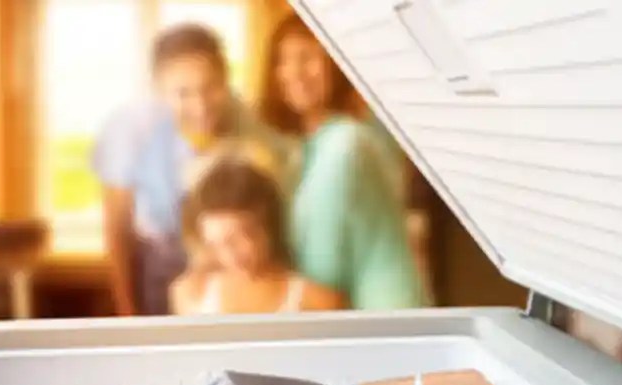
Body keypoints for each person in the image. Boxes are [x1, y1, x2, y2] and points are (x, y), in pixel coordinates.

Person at [94, 24, 296, 316]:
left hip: (231, 262)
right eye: (183, 93)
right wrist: (128, 316)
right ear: (159, 90)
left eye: (211, 87)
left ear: (226, 78)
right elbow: (117, 229)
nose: (200, 106)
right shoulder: (130, 130)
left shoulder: (252, 131)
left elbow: (270, 221)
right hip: (159, 265)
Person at [259, 14, 424, 310]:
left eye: (307, 57)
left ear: (336, 64)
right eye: (282, 61)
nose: (294, 71)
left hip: (385, 321)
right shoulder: (311, 147)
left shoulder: (345, 143)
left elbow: (324, 270)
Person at [171, 157, 343, 315]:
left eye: (242, 237)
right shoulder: (191, 294)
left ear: (269, 225)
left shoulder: (316, 300)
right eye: (219, 244)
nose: (232, 255)